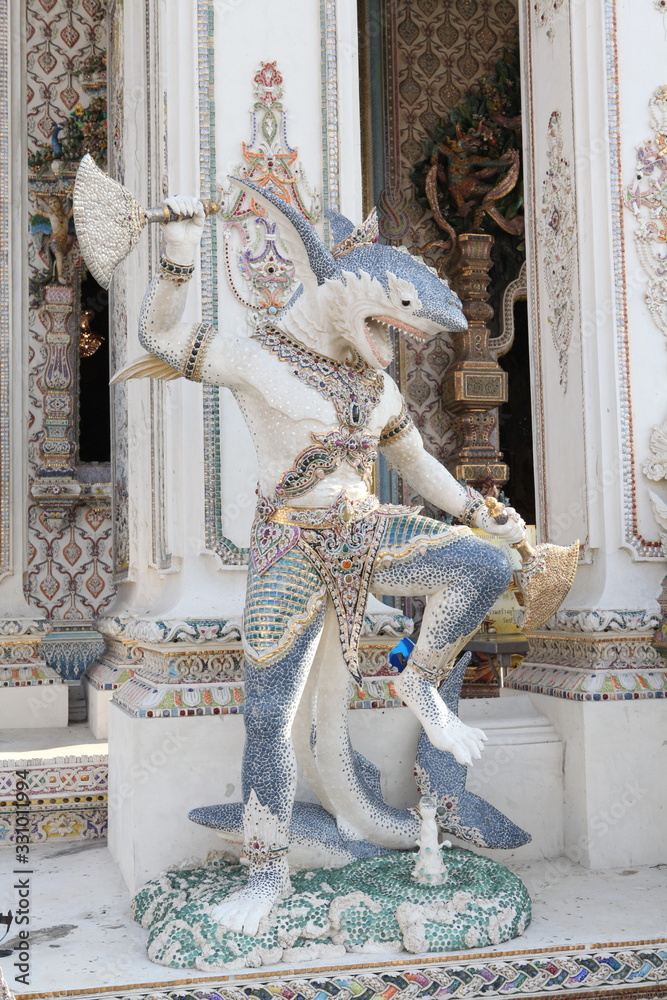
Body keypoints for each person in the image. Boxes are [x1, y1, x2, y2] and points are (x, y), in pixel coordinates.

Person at [134, 183, 526, 934]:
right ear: (348, 291)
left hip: (365, 529)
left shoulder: (375, 390)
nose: (406, 335)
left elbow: (419, 472)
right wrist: (178, 263)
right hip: (289, 546)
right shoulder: (254, 356)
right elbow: (161, 340)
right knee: (268, 720)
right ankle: (264, 875)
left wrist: (484, 514)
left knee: (482, 566)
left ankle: (418, 682)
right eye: (400, 313)